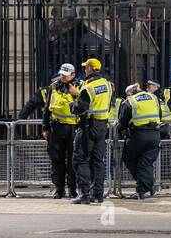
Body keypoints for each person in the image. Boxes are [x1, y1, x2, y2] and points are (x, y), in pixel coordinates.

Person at [18, 63, 79, 199]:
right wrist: (45, 127)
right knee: (57, 161)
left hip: (74, 129)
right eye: (62, 74)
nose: (63, 77)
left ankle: (73, 190)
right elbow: (46, 109)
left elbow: (84, 107)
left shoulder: (79, 87)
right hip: (57, 128)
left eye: (66, 74)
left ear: (73, 75)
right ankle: (59, 189)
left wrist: (75, 95)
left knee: (72, 162)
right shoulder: (52, 88)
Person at [69, 58, 114, 204]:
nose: (84, 69)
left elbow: (80, 108)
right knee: (98, 161)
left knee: (80, 160)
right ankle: (98, 194)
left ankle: (84, 195)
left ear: (90, 68)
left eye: (86, 67)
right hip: (102, 127)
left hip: (88, 126)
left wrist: (73, 101)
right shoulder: (107, 84)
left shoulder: (88, 87)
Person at [117, 82, 164, 199]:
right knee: (146, 163)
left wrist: (120, 130)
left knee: (129, 159)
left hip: (138, 135)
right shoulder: (154, 98)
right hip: (155, 134)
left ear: (130, 93)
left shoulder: (130, 101)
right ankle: (144, 188)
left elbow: (122, 122)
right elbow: (160, 114)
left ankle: (145, 186)